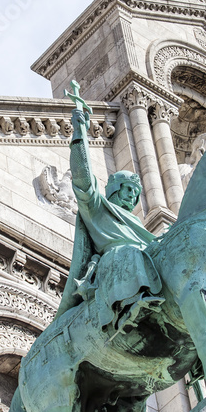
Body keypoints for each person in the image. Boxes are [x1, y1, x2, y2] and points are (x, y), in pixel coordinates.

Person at [55, 105, 162, 332]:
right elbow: (83, 179)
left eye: (135, 192)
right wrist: (79, 133)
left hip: (142, 261)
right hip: (116, 263)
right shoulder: (98, 208)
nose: (132, 195)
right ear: (114, 190)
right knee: (129, 252)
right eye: (127, 189)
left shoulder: (138, 224)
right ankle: (128, 308)